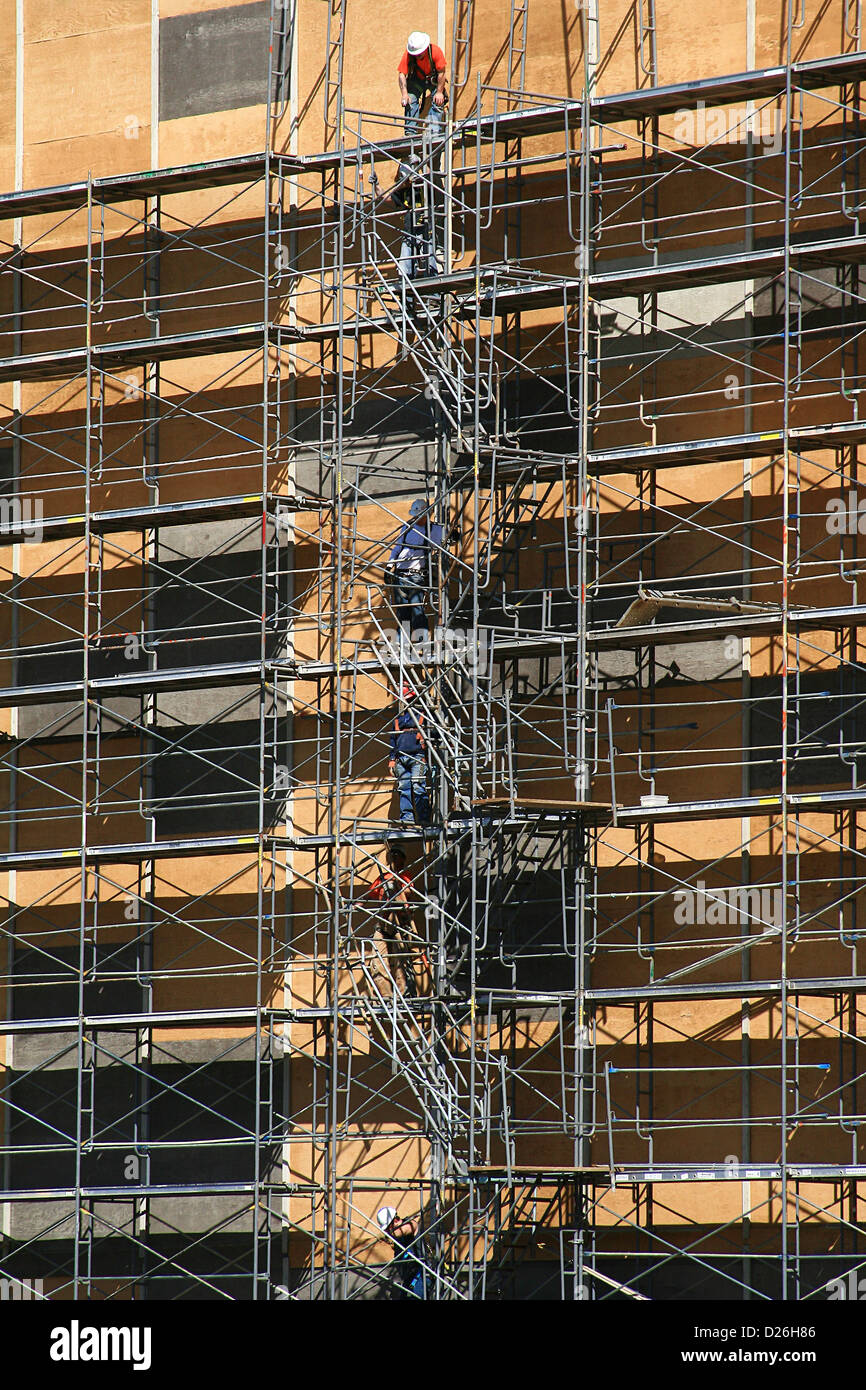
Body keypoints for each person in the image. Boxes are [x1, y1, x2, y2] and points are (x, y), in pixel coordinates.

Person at [386, 498, 444, 639]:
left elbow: (448, 537)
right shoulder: (407, 527)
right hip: (400, 575)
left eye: (419, 516)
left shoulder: (434, 530)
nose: (416, 518)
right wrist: (389, 566)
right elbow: (398, 548)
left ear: (426, 515)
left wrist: (454, 535)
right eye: (415, 516)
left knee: (417, 611)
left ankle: (421, 643)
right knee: (403, 613)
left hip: (416, 576)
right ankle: (402, 645)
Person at [365, 844, 418, 998]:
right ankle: (385, 995)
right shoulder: (383, 878)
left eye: (397, 854)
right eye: (392, 854)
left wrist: (396, 886)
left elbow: (408, 891)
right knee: (377, 961)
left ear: (403, 859)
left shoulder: (405, 877)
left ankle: (404, 994)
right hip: (383, 923)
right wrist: (355, 904)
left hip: (400, 923)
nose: (394, 857)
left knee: (402, 961)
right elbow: (370, 894)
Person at [389, 684, 431, 826]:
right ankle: (407, 818)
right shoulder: (397, 717)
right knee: (404, 787)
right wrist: (392, 759)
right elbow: (393, 739)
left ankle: (424, 818)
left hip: (417, 756)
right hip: (401, 757)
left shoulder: (421, 713)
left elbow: (433, 734)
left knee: (418, 786)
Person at [392, 156, 439, 282]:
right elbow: (386, 196)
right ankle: (406, 298)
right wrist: (377, 185)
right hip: (409, 232)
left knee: (430, 262)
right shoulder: (402, 190)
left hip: (426, 230)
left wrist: (421, 163)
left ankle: (433, 294)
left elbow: (431, 178)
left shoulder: (424, 184)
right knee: (405, 267)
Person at [398, 32, 447, 138]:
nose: (418, 56)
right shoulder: (409, 55)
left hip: (433, 80)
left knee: (438, 101)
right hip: (417, 80)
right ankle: (410, 132)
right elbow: (402, 74)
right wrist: (404, 94)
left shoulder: (435, 51)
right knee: (410, 99)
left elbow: (442, 72)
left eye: (419, 53)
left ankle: (433, 131)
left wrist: (439, 92)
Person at [376, 1206, 428, 1300]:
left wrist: (392, 1234)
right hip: (409, 1278)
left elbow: (408, 1228)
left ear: (395, 1220)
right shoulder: (396, 1237)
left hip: (422, 1275)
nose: (388, 1232)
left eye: (389, 1228)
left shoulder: (410, 1224)